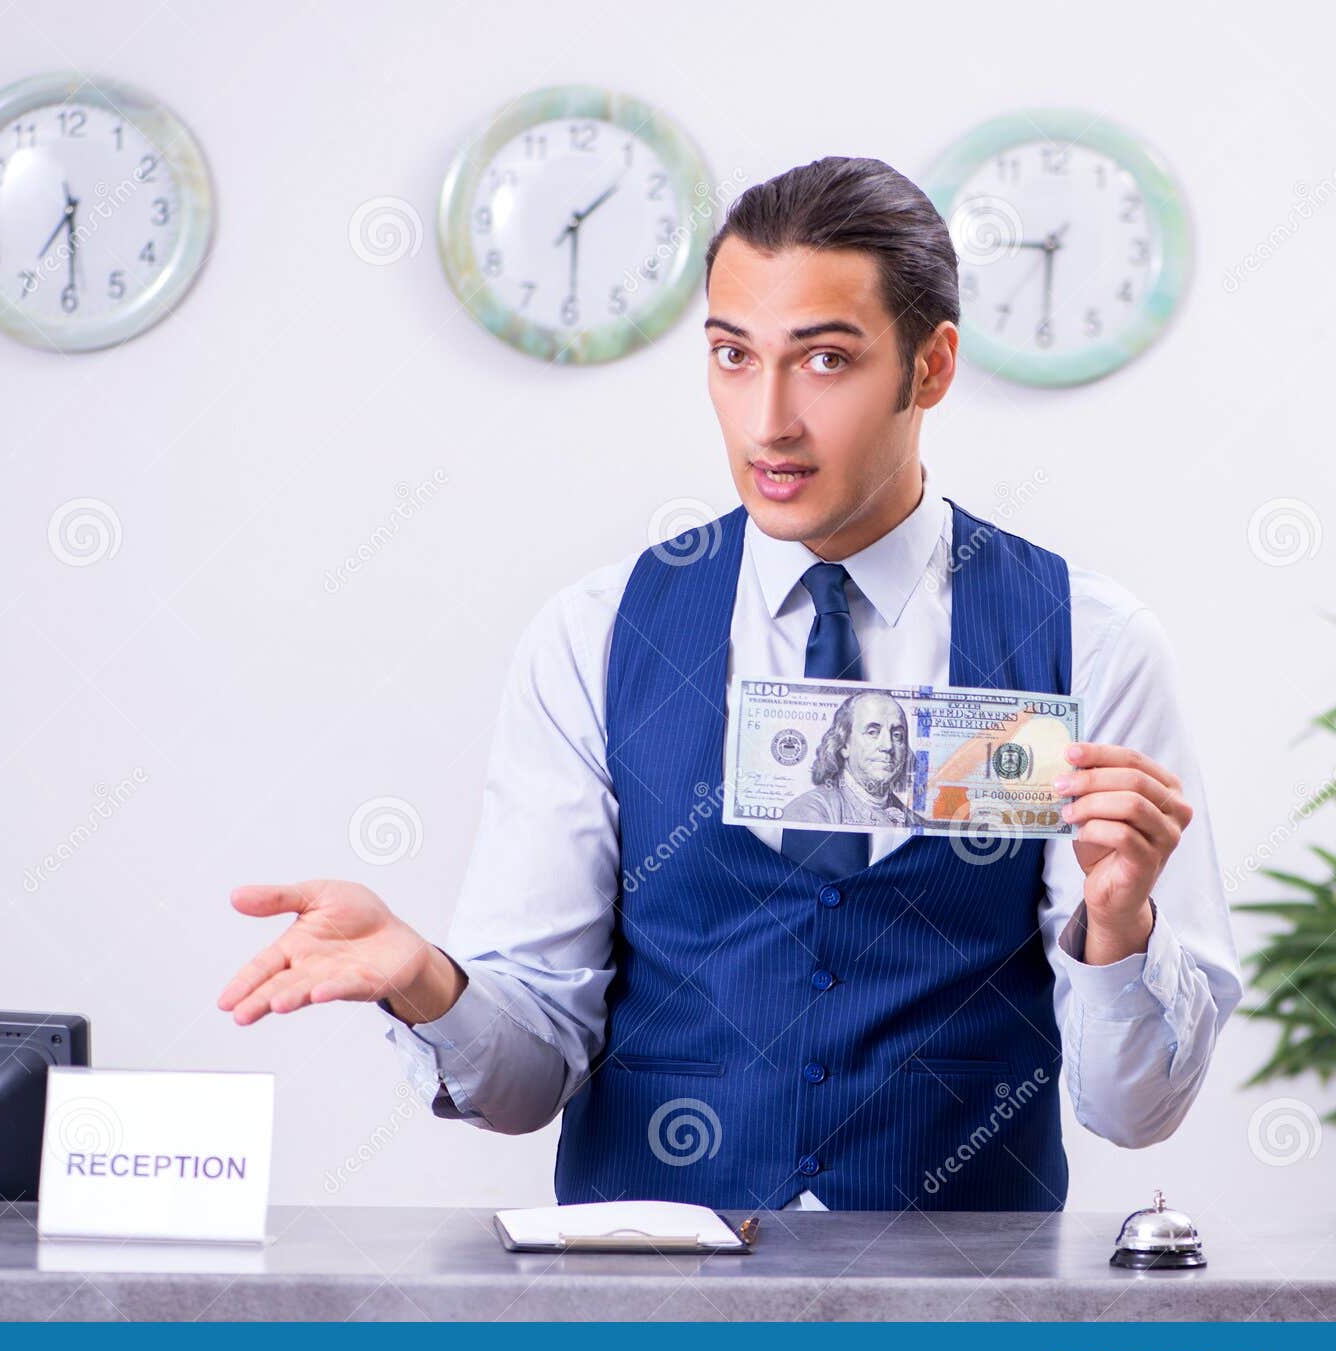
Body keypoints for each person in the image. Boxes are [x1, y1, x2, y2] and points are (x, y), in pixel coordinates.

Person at [217, 156, 1242, 1212]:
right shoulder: (596, 636)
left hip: (956, 1331)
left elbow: (1134, 1112)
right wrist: (423, 978)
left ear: (930, 368)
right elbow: (522, 1083)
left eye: (826, 360)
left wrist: (1120, 927)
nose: (768, 422)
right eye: (731, 356)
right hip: (649, 1330)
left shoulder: (1091, 642)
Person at [781, 689, 925, 830]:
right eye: (872, 732)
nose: (888, 746)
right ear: (844, 745)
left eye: (897, 735)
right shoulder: (809, 811)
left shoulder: (916, 823)